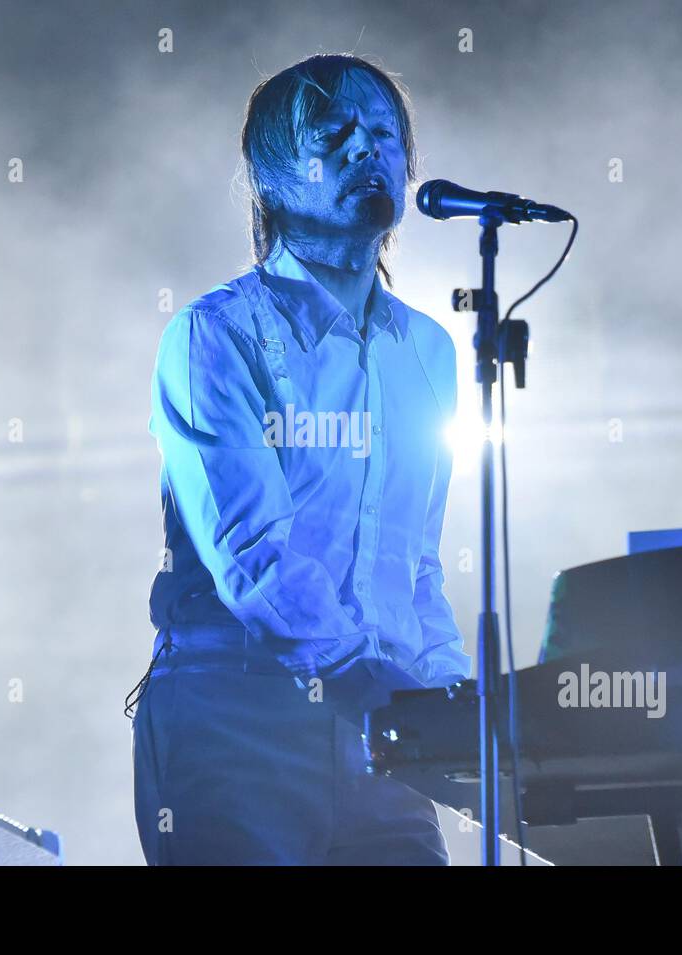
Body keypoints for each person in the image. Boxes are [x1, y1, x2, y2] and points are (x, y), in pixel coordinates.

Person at [130, 53, 471, 865]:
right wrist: (384, 690)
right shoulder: (214, 336)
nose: (369, 149)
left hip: (382, 740)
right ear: (273, 178)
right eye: (337, 134)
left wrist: (464, 710)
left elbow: (414, 567)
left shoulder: (427, 350)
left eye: (385, 133)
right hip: (236, 724)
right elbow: (254, 554)